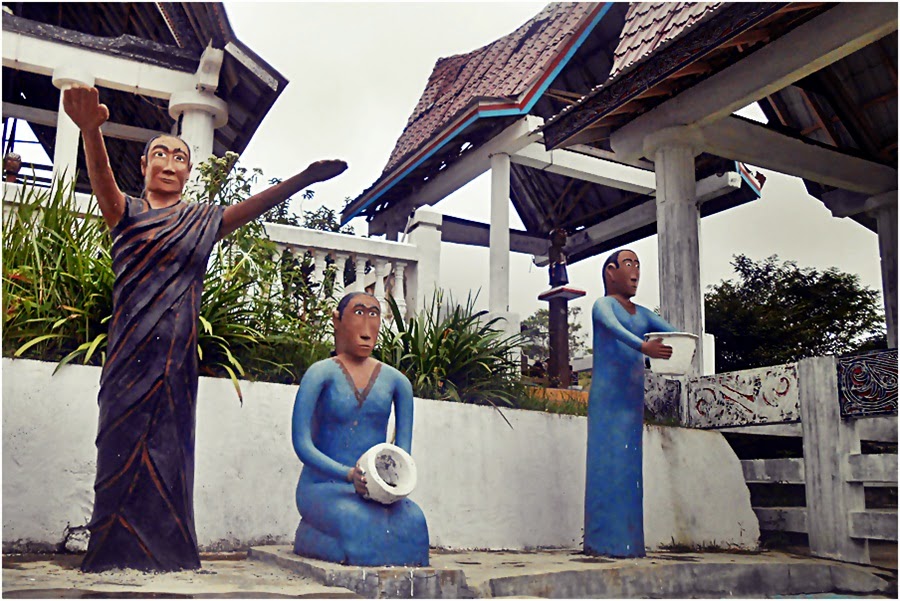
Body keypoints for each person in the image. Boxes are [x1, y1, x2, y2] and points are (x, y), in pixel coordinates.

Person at [63, 85, 347, 572]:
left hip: (176, 366)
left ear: (190, 172)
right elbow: (102, 181)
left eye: (180, 156)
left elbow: (254, 207)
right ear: (145, 166)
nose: (170, 162)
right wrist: (92, 130)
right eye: (160, 154)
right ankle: (109, 551)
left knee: (171, 461)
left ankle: (171, 554)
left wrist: (300, 179)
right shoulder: (126, 213)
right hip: (128, 360)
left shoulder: (201, 220)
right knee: (118, 452)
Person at [291, 291, 429, 566]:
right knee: (357, 522)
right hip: (322, 486)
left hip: (373, 490)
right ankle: (310, 538)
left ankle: (339, 544)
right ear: (337, 320)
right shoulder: (320, 374)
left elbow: (403, 455)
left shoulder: (397, 382)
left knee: (415, 523)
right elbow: (302, 444)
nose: (367, 331)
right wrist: (347, 475)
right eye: (358, 313)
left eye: (374, 314)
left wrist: (390, 488)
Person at [585, 249, 675, 558]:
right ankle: (605, 542)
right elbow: (614, 329)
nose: (635, 271)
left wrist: (683, 343)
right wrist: (644, 346)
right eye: (628, 264)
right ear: (611, 272)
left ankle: (629, 543)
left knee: (630, 471)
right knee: (608, 465)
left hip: (632, 401)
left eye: (638, 264)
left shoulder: (643, 313)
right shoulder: (603, 305)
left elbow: (672, 332)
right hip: (608, 402)